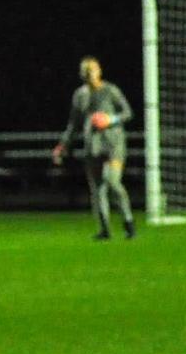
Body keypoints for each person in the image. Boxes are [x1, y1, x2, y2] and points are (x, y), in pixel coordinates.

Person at [52, 56, 136, 240]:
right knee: (97, 189)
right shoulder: (80, 95)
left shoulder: (110, 90)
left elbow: (128, 113)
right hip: (93, 146)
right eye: (85, 71)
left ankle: (128, 222)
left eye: (92, 70)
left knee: (112, 182)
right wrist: (62, 146)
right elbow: (73, 124)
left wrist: (110, 119)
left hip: (114, 144)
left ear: (99, 71)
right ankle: (105, 229)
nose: (89, 74)